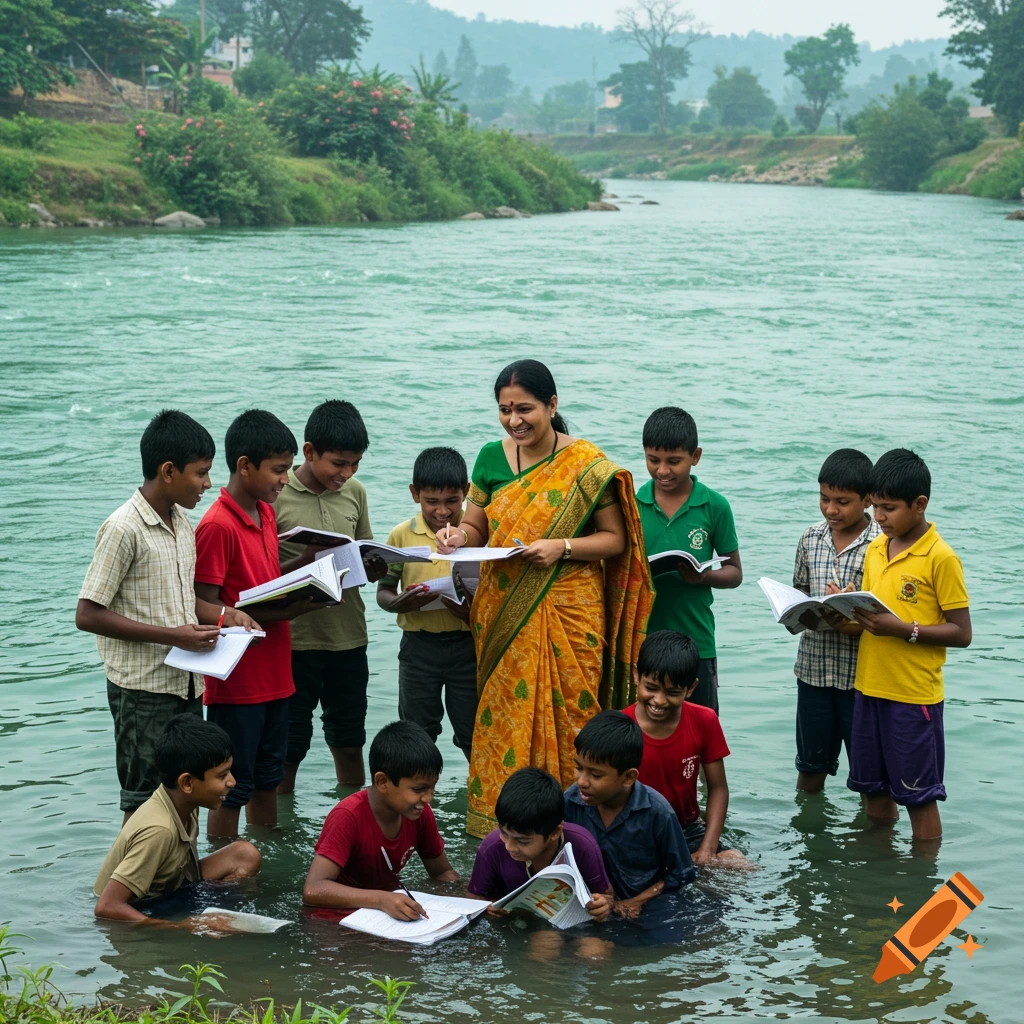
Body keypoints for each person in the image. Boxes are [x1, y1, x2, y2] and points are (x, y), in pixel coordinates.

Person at [435, 360, 653, 838]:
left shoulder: (586, 466)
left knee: (575, 713)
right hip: (504, 610)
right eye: (505, 410)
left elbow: (615, 540)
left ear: (552, 406)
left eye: (526, 409)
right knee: (505, 720)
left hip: (572, 608)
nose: (515, 420)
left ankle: (576, 827)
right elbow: (478, 526)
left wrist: (563, 547)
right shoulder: (491, 458)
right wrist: (456, 536)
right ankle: (504, 831)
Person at [76, 410, 258, 822]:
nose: (208, 484)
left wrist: (227, 615)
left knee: (187, 795)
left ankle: (179, 883)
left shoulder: (181, 521)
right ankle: (129, 887)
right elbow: (87, 614)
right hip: (142, 691)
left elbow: (182, 600)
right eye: (201, 474)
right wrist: (173, 636)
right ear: (169, 471)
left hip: (187, 683)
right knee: (143, 801)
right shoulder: (123, 528)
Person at [194, 410, 326, 837]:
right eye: (277, 470)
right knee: (231, 786)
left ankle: (265, 864)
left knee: (268, 778)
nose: (284, 480)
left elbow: (262, 587)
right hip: (237, 683)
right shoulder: (217, 525)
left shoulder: (266, 514)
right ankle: (223, 868)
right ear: (244, 465)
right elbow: (201, 603)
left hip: (276, 673)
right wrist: (267, 610)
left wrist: (308, 570)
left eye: (287, 469)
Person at [848, 449, 971, 842]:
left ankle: (921, 881)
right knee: (874, 791)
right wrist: (845, 605)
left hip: (913, 697)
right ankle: (882, 874)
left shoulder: (941, 558)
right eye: (875, 506)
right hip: (869, 687)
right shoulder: (876, 549)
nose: (879, 517)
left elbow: (961, 632)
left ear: (920, 505)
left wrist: (905, 630)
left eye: (889, 508)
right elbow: (877, 612)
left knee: (919, 797)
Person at [275, 400, 387, 792]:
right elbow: (260, 576)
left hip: (348, 636)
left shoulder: (355, 492)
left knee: (349, 736)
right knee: (288, 744)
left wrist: (374, 566)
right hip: (294, 640)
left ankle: (353, 815)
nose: (347, 473)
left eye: (355, 463)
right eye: (338, 463)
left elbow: (364, 549)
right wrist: (306, 563)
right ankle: (279, 829)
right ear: (309, 452)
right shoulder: (276, 492)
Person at [93, 715, 261, 927]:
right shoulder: (158, 831)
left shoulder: (184, 802)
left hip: (175, 886)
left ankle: (214, 913)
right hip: (146, 905)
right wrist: (183, 926)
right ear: (187, 783)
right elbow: (106, 907)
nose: (232, 782)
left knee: (245, 856)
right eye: (222, 775)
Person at [638, 407, 742, 715]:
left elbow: (734, 573)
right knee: (642, 736)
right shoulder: (632, 502)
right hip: (643, 638)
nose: (662, 471)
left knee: (699, 734)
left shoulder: (714, 505)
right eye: (652, 460)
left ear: (695, 456)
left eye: (674, 461)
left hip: (696, 640)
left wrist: (703, 577)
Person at [377, 447, 478, 760]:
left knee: (474, 734)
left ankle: (480, 804)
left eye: (452, 501)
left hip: (469, 647)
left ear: (468, 493)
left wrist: (471, 611)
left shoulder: (476, 536)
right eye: (431, 501)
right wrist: (399, 604)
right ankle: (419, 807)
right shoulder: (401, 535)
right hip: (418, 649)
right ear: (414, 494)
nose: (443, 511)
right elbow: (384, 590)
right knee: (417, 734)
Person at [302, 721, 459, 920]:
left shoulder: (419, 812)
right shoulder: (347, 816)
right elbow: (313, 890)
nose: (428, 799)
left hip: (388, 906)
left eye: (432, 788)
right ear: (383, 782)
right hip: (340, 914)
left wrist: (473, 899)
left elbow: (442, 872)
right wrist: (381, 900)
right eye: (419, 790)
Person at [623, 631, 752, 869]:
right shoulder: (620, 727)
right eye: (651, 688)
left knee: (743, 868)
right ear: (636, 675)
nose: (659, 700)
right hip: (634, 833)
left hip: (687, 828)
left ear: (690, 688)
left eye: (672, 693)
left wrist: (708, 849)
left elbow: (718, 788)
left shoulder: (704, 720)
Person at [792, 448, 880, 793]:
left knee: (871, 779)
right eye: (824, 498)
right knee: (810, 768)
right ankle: (810, 840)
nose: (831, 509)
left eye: (842, 501)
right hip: (812, 672)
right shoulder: (810, 538)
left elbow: (886, 613)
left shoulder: (881, 544)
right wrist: (797, 613)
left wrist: (848, 612)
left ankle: (872, 844)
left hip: (861, 679)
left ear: (868, 499)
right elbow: (800, 592)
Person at [563, 710, 695, 917]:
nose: (581, 781)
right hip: (594, 905)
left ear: (628, 778)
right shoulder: (569, 803)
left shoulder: (658, 812)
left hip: (647, 906)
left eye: (595, 774)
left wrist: (636, 902)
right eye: (578, 768)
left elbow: (682, 875)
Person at [467, 767, 613, 922]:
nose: (509, 846)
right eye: (503, 832)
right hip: (515, 920)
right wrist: (486, 908)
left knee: (592, 945)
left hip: (567, 920)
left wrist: (602, 906)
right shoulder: (491, 848)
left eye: (522, 841)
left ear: (555, 832)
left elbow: (607, 896)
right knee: (545, 939)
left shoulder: (582, 845)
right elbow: (474, 897)